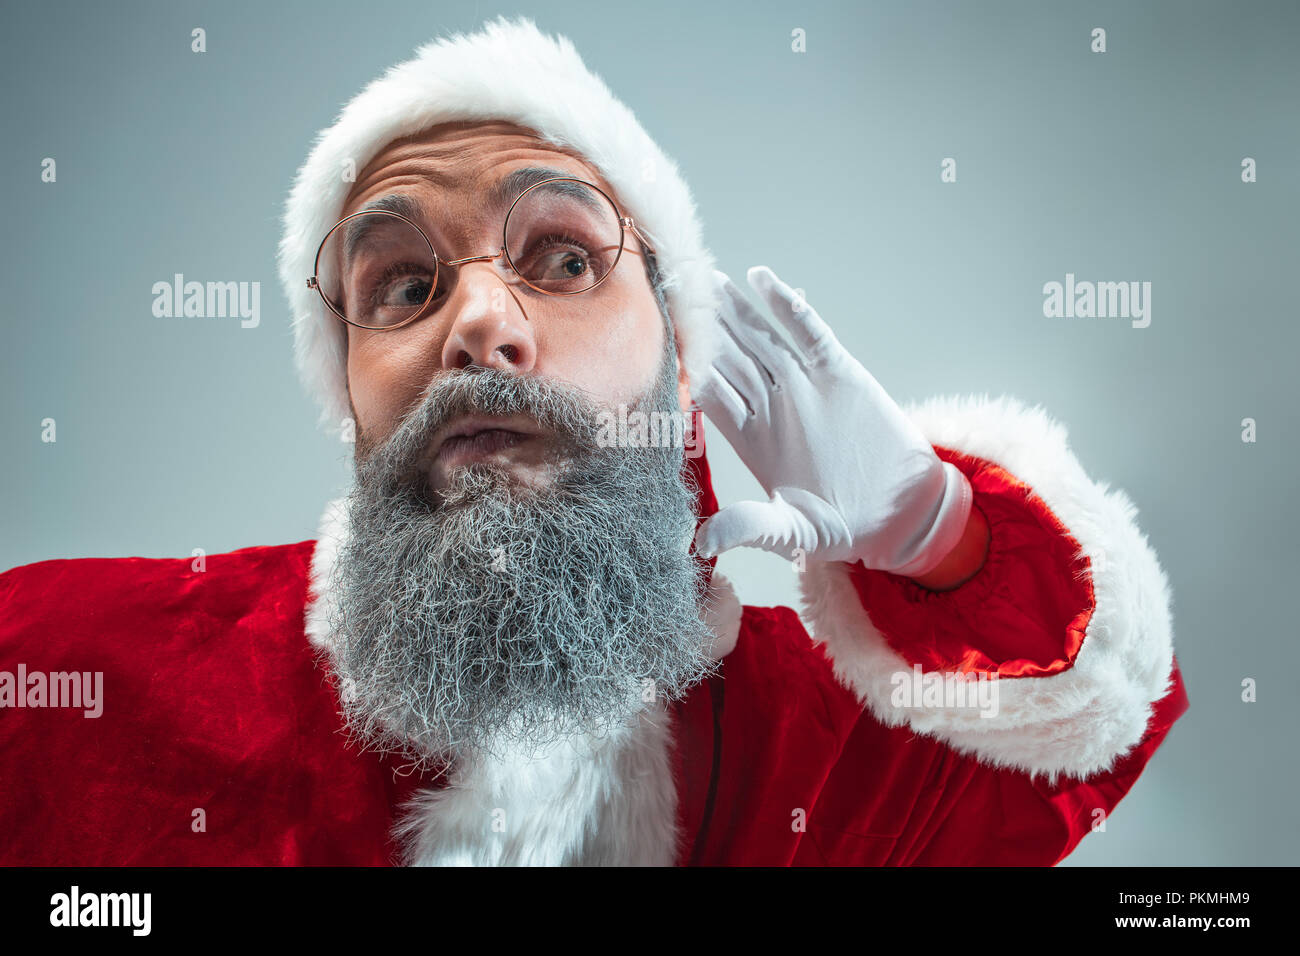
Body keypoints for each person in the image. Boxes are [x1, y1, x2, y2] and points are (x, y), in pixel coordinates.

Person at [0, 15, 1187, 866]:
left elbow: (1094, 727)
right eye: (403, 283)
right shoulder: (67, 680)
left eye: (562, 258)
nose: (476, 322)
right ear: (351, 390)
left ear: (680, 356)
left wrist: (939, 530)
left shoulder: (840, 749)